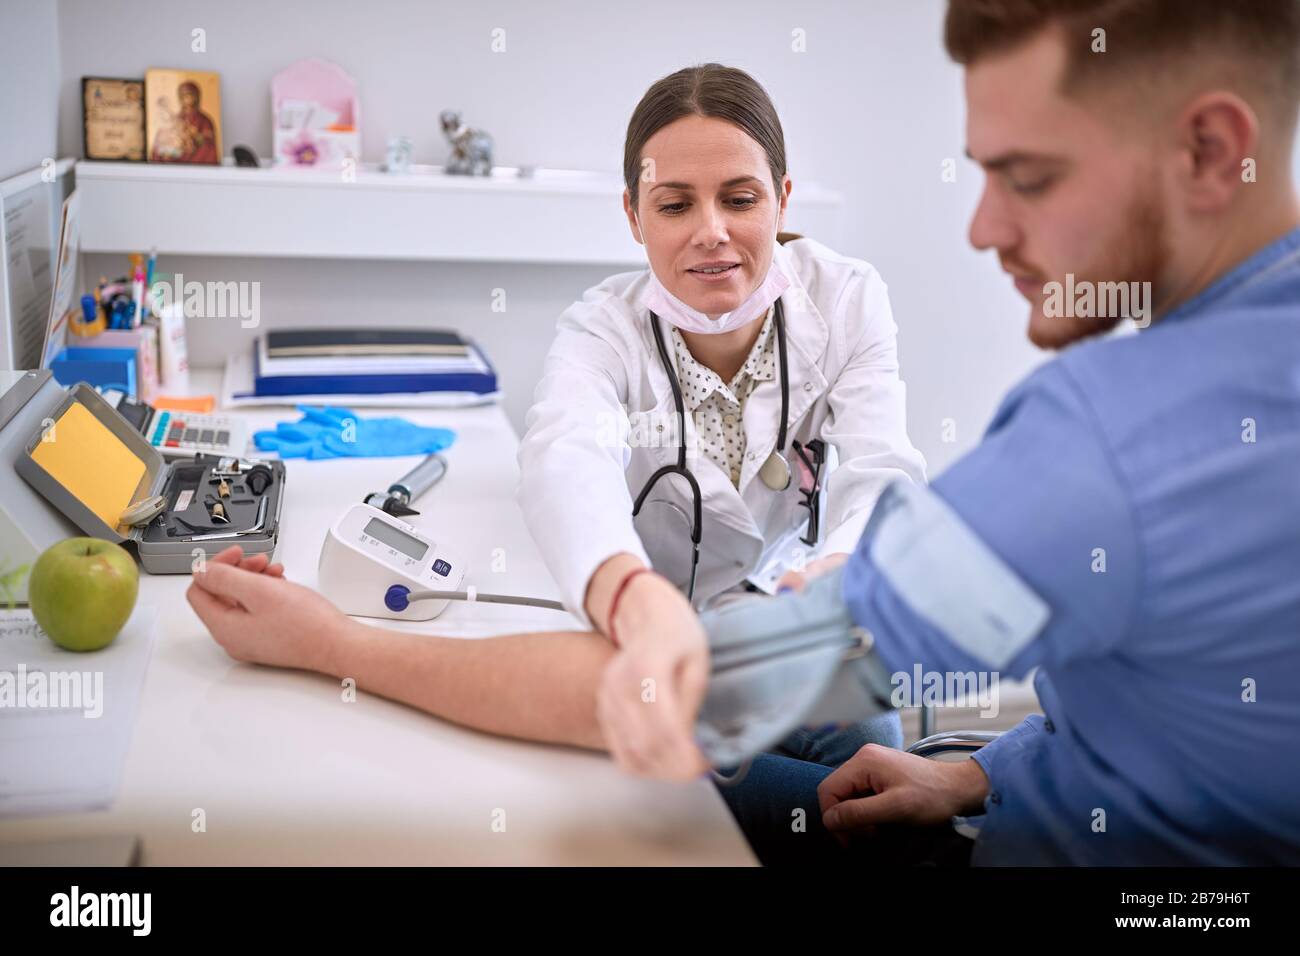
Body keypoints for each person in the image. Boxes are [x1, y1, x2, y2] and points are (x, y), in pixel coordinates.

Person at [620, 0, 1300, 866]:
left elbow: (715, 685)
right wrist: (983, 772)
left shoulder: (1101, 435)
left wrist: (395, 652)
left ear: (1207, 152)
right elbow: (1174, 715)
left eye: (1030, 177)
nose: (983, 230)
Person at [189, 66, 925, 783]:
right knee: (822, 812)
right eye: (674, 206)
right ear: (633, 213)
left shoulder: (849, 300)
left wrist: (843, 568)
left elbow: (880, 470)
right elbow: (564, 457)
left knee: (875, 760)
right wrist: (633, 598)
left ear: (782, 200)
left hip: (802, 624)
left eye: (740, 198)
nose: (712, 232)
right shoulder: (602, 330)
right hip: (646, 636)